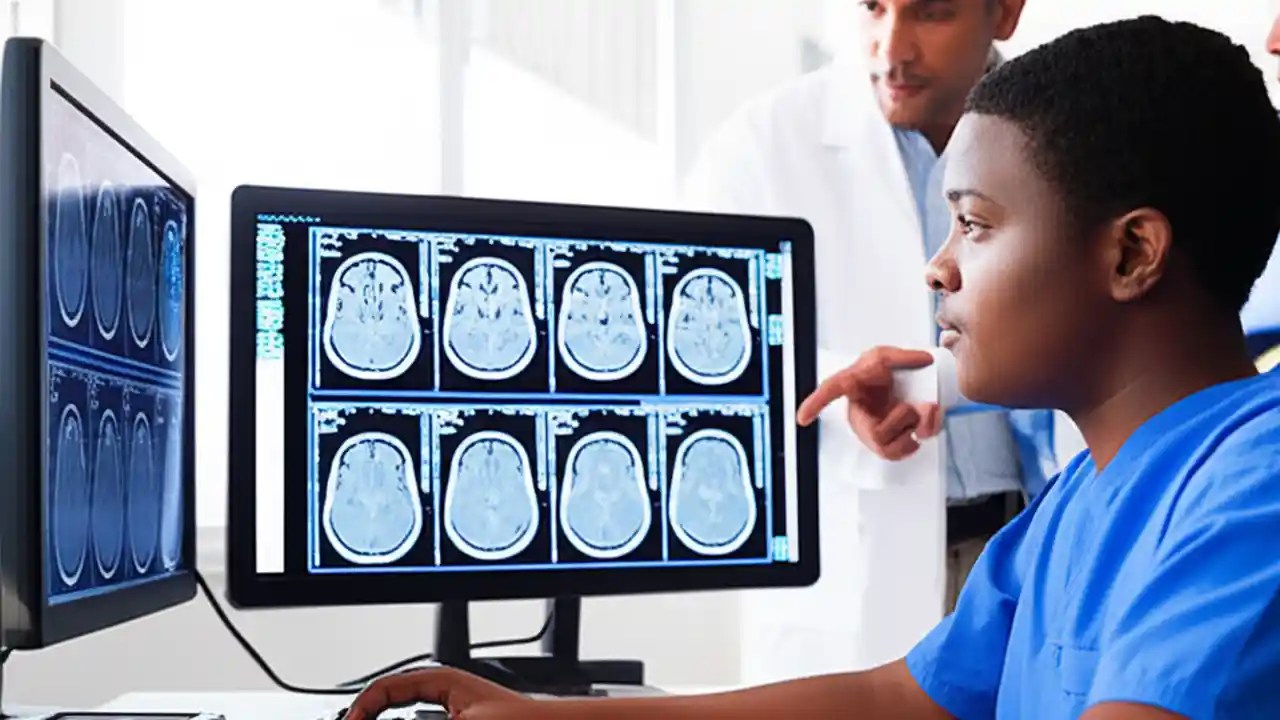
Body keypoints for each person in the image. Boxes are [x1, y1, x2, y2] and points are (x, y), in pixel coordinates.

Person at [343, 16, 1280, 720]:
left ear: (1130, 257)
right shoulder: (1080, 504)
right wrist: (545, 714)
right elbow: (890, 700)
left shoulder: (1254, 484)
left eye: (977, 223)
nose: (938, 263)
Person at [680, 0, 1057, 675]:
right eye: (873, 8)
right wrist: (843, 389)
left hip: (1029, 541)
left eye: (931, 14)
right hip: (858, 562)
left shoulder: (1068, 134)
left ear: (1003, 13)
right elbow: (705, 361)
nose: (891, 48)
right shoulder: (762, 144)